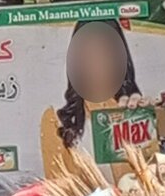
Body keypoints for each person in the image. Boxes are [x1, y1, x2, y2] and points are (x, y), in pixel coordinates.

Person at [40, 19, 144, 180]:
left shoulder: (134, 112)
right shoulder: (55, 120)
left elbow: (152, 185)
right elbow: (58, 190)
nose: (97, 64)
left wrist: (148, 122)